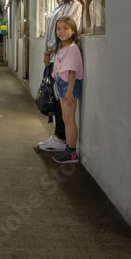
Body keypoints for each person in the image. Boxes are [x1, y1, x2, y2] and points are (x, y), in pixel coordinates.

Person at [38, 0, 84, 152]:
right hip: (56, 59)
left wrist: (49, 50)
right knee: (55, 99)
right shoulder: (60, 4)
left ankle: (62, 139)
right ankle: (58, 136)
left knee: (60, 102)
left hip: (61, 58)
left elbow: (67, 29)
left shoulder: (74, 4)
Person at [50, 16, 83, 163]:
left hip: (68, 86)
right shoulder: (63, 47)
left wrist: (69, 92)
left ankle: (72, 153)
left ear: (73, 30)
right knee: (65, 119)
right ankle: (68, 149)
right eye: (58, 28)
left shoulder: (72, 48)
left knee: (69, 120)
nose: (61, 31)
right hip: (61, 84)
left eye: (65, 28)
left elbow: (72, 72)